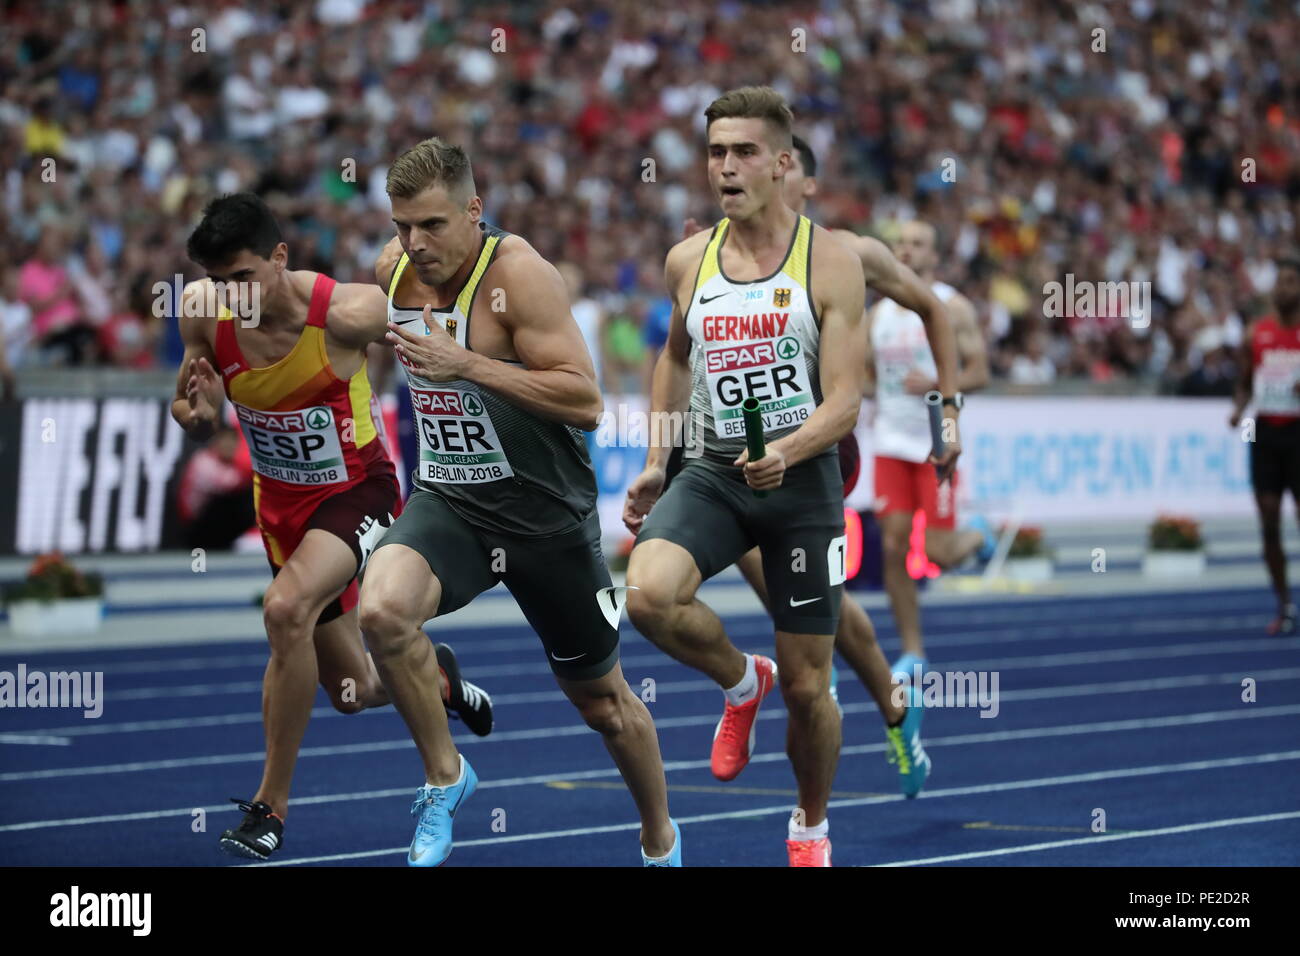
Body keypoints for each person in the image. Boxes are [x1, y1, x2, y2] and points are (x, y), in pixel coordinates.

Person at [623, 87, 957, 866]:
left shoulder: (844, 256)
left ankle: (830, 798)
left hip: (805, 472)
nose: (725, 168)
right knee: (646, 595)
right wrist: (655, 460)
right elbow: (674, 358)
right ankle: (744, 682)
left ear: (789, 167)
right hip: (715, 468)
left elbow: (852, 390)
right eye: (715, 153)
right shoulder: (688, 260)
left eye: (743, 153)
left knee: (817, 671)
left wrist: (951, 415)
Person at [362, 137, 680, 867]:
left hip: (545, 520)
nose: (415, 243)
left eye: (433, 226)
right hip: (454, 504)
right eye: (402, 225)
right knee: (381, 612)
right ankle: (447, 776)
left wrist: (467, 363)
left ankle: (659, 837)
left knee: (603, 704)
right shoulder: (394, 272)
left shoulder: (522, 279)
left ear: (475, 211)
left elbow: (586, 400)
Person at [172, 192, 493, 860]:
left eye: (244, 278)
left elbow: (445, 344)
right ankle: (437, 677)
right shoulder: (203, 313)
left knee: (285, 611)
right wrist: (193, 411)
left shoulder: (349, 312)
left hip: (359, 492)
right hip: (281, 511)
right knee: (353, 691)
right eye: (219, 283)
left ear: (281, 258)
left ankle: (270, 808)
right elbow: (190, 398)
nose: (235, 297)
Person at [865, 219, 993, 682]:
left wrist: (937, 385)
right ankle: (913, 651)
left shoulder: (953, 308)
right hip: (889, 444)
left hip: (935, 442)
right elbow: (864, 377)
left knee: (938, 554)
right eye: (900, 242)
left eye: (917, 244)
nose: (906, 250)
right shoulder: (876, 315)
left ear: (933, 256)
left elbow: (980, 373)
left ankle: (977, 535)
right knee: (894, 548)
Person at [1230, 257, 1300, 634]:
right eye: (1280, 282)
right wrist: (1237, 408)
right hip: (1264, 432)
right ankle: (1285, 605)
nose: (1283, 289)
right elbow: (1244, 381)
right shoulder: (1257, 333)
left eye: (1291, 282)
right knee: (1269, 521)